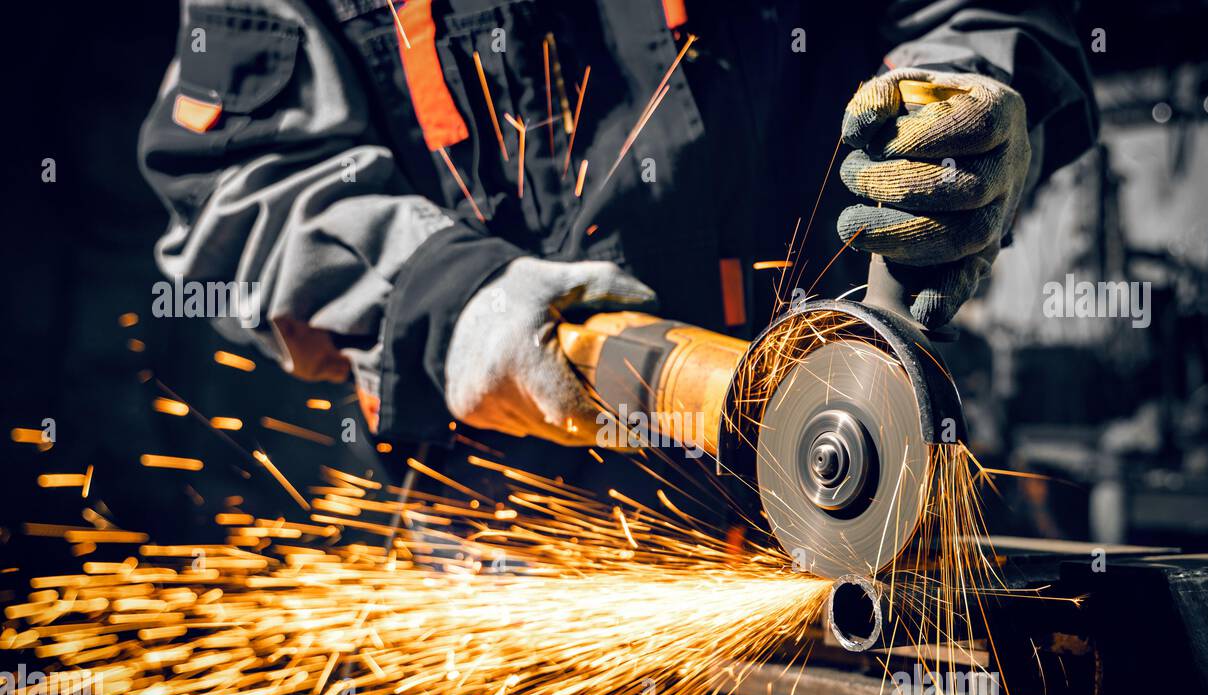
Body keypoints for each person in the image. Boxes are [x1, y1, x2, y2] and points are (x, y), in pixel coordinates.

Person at [140, 0, 1095, 464]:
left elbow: (977, 14)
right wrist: (447, 299)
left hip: (849, 510)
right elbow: (237, 173)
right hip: (500, 571)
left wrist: (970, 92)